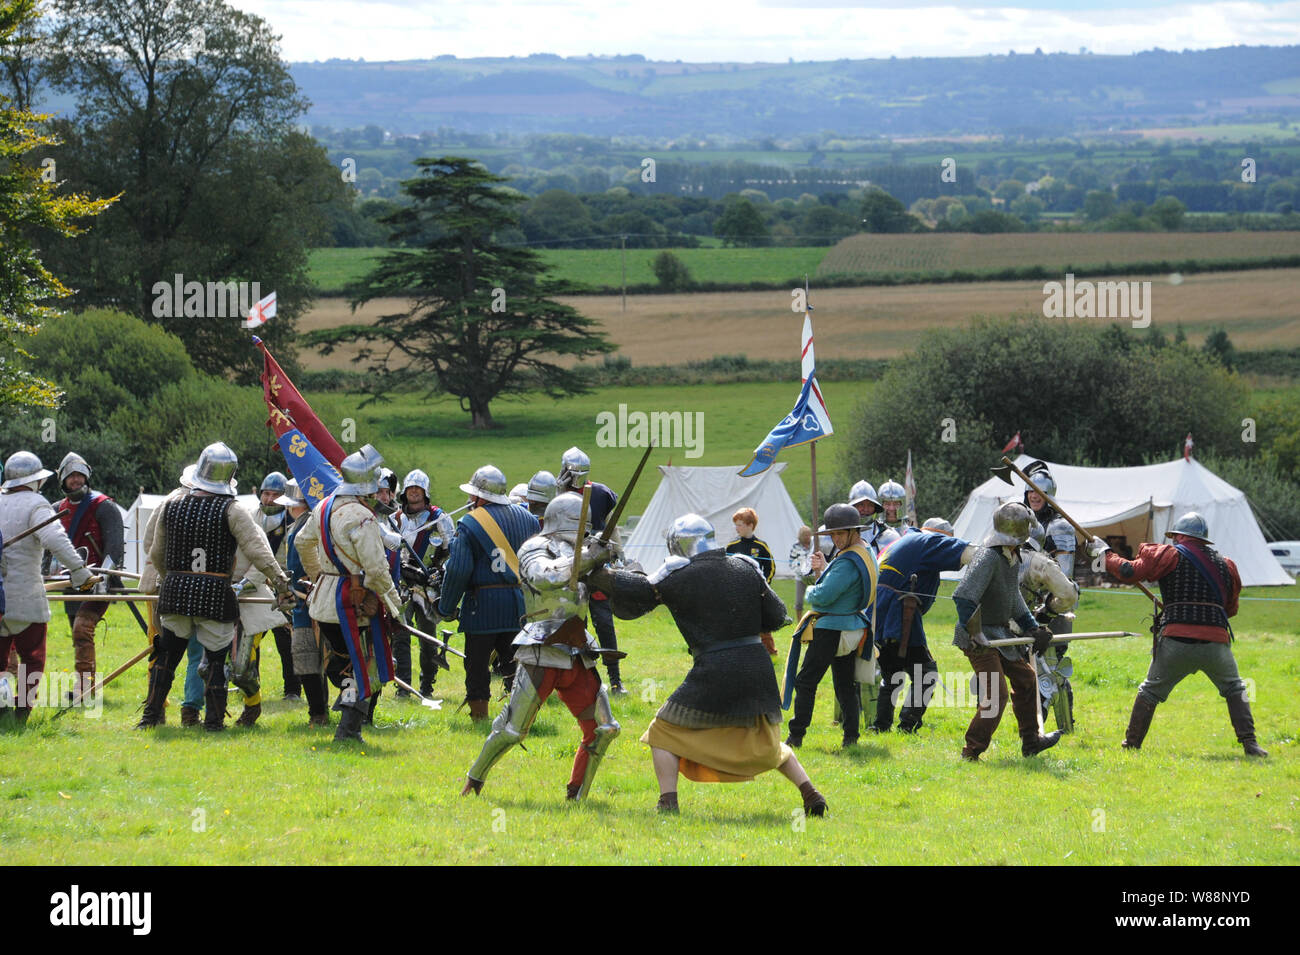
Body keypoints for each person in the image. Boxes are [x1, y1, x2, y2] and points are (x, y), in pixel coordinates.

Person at [593, 513, 827, 817]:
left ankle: (668, 804)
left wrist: (596, 571)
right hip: (757, 667)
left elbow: (636, 591)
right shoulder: (746, 567)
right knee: (767, 743)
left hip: (715, 668)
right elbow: (776, 615)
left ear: (677, 545)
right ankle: (811, 793)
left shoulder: (679, 575)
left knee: (661, 732)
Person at [461, 491, 619, 800]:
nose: (583, 528)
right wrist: (588, 557)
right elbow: (544, 576)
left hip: (579, 649)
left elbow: (618, 582)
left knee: (605, 728)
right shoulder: (536, 547)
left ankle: (577, 796)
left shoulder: (586, 549)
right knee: (512, 730)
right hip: (541, 645)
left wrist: (612, 563)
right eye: (580, 522)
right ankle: (475, 778)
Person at [139, 443, 294, 732]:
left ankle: (150, 718)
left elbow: (156, 554)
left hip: (176, 592)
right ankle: (213, 723)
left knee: (167, 656)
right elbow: (259, 550)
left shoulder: (172, 504)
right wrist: (281, 583)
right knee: (214, 661)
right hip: (214, 593)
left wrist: (172, 579)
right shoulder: (232, 509)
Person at [1096, 512, 1266, 757]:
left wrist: (1104, 555)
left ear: (1178, 535)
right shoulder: (1226, 565)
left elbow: (1128, 571)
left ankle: (1131, 745)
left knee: (1150, 692)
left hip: (1176, 639)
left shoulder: (1169, 554)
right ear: (1203, 540)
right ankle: (1251, 745)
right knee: (1235, 688)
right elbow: (1231, 609)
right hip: (1216, 642)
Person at [295, 445, 403, 744]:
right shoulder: (363, 517)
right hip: (355, 603)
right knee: (365, 668)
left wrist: (320, 576)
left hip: (325, 603)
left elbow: (302, 543)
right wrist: (396, 605)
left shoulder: (323, 506)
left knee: (345, 664)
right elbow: (377, 570)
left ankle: (347, 718)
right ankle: (348, 730)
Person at [951, 502, 1062, 761]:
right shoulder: (988, 557)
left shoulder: (1011, 557)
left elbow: (1013, 600)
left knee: (1026, 679)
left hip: (998, 635)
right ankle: (971, 751)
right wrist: (975, 632)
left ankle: (1031, 742)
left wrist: (1033, 628)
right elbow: (963, 598)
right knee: (996, 695)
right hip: (976, 637)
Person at [437, 465, 539, 721]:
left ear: (481, 496)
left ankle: (480, 717)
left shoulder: (471, 523)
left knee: (477, 666)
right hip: (519, 604)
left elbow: (459, 570)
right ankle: (521, 716)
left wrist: (447, 608)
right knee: (517, 664)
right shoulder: (528, 519)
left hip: (481, 607)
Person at [0, 451, 95, 724]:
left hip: (0, 597)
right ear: (35, 481)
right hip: (26, 598)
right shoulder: (36, 504)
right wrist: (79, 571)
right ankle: (20, 715)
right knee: (32, 658)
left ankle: (3, 714)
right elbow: (56, 540)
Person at [784, 503, 877, 749]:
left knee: (806, 682)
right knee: (845, 685)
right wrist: (824, 570)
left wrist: (813, 589)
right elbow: (843, 586)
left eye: (839, 533)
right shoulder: (864, 551)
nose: (835, 539)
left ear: (853, 532)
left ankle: (796, 737)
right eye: (832, 534)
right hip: (852, 628)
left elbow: (823, 596)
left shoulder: (848, 560)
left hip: (832, 629)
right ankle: (851, 737)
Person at [871, 517, 976, 733]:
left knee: (892, 674)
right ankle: (906, 725)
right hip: (899, 613)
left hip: (879, 612)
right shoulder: (928, 541)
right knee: (926, 673)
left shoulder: (905, 542)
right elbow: (968, 552)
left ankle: (880, 726)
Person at [50, 452, 125, 701]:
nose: (76, 479)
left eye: (80, 474)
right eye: (71, 475)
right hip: (69, 582)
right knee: (77, 632)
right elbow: (48, 550)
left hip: (97, 581)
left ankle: (85, 690)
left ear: (87, 476)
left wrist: (103, 578)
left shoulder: (103, 505)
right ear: (63, 479)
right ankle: (86, 684)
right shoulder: (56, 510)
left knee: (82, 628)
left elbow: (115, 548)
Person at [557, 447, 626, 694]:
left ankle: (616, 680)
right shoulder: (558, 496)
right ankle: (576, 680)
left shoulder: (600, 493)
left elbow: (611, 526)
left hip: (596, 566)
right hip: (567, 566)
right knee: (573, 623)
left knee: (604, 623)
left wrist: (619, 555)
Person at [391, 468, 455, 698]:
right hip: (401, 583)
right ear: (405, 492)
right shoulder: (395, 518)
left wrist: (439, 571)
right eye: (410, 489)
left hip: (427, 585)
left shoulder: (439, 517)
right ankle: (403, 687)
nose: (414, 492)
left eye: (418, 489)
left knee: (428, 639)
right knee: (400, 633)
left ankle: (427, 686)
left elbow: (452, 550)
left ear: (425, 492)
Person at [1019, 519, 1080, 732]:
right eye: (1031, 493)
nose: (1035, 497)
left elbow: (1064, 580)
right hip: (1019, 614)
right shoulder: (1020, 514)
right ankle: (1032, 731)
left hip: (1050, 608)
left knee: (1051, 669)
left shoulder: (1059, 526)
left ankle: (1058, 727)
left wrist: (1049, 610)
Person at [279, 480, 329, 727]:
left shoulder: (314, 525)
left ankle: (320, 712)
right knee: (307, 658)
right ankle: (318, 711)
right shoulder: (299, 526)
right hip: (302, 601)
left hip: (316, 599)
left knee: (317, 658)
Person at [255, 470, 301, 701]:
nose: (269, 499)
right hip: (256, 584)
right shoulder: (252, 516)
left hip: (284, 585)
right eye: (266, 493)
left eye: (275, 494)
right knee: (251, 638)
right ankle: (250, 687)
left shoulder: (293, 519)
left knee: (286, 641)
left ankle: (292, 690)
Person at [725, 506, 775, 584]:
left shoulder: (761, 546)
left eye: (739, 525)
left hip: (755, 590)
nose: (736, 528)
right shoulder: (731, 546)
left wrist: (764, 586)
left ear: (750, 526)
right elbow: (725, 569)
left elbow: (770, 568)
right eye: (735, 525)